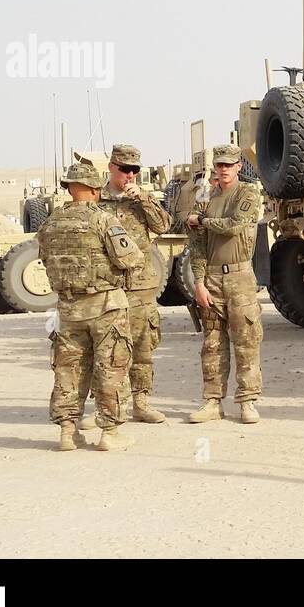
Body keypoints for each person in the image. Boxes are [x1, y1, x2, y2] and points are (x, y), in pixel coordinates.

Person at [37, 163, 145, 451]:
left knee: (68, 370)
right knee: (111, 366)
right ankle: (110, 433)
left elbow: (45, 260)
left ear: (69, 188)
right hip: (105, 306)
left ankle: (67, 432)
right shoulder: (103, 220)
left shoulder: (50, 224)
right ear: (96, 190)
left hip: (68, 308)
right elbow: (130, 258)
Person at [86, 144, 173, 424]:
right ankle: (105, 408)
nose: (131, 175)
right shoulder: (95, 199)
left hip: (140, 287)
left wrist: (145, 200)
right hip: (108, 287)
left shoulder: (141, 199)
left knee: (142, 346)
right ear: (112, 167)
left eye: (135, 170)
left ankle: (141, 402)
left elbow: (164, 226)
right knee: (105, 350)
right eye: (125, 169)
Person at [185, 145, 264, 423]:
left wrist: (203, 220)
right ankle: (212, 401)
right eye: (219, 165)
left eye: (229, 165)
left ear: (239, 166)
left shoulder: (248, 193)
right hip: (212, 278)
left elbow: (235, 225)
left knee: (247, 340)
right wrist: (199, 282)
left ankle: (247, 401)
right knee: (213, 343)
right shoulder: (205, 198)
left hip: (240, 276)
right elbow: (196, 245)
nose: (224, 169)